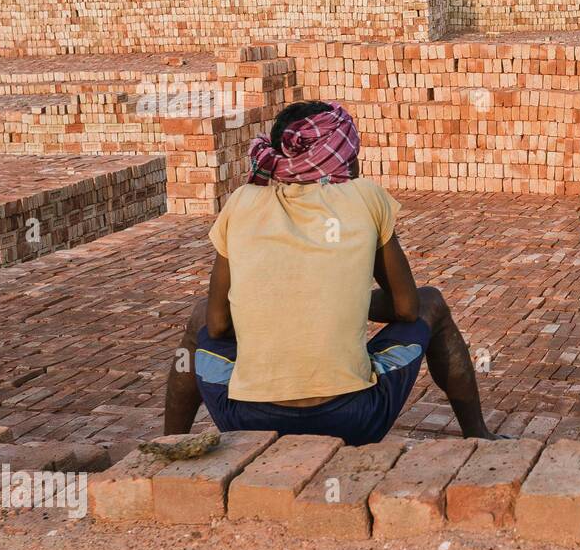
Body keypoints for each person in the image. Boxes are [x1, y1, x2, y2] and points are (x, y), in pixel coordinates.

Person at [163, 101, 508, 444]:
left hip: (244, 418)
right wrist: (341, 297)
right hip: (352, 416)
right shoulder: (366, 197)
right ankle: (477, 434)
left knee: (200, 317)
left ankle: (169, 442)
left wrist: (301, 300)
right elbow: (406, 307)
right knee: (431, 302)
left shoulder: (241, 202)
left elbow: (218, 323)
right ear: (341, 154)